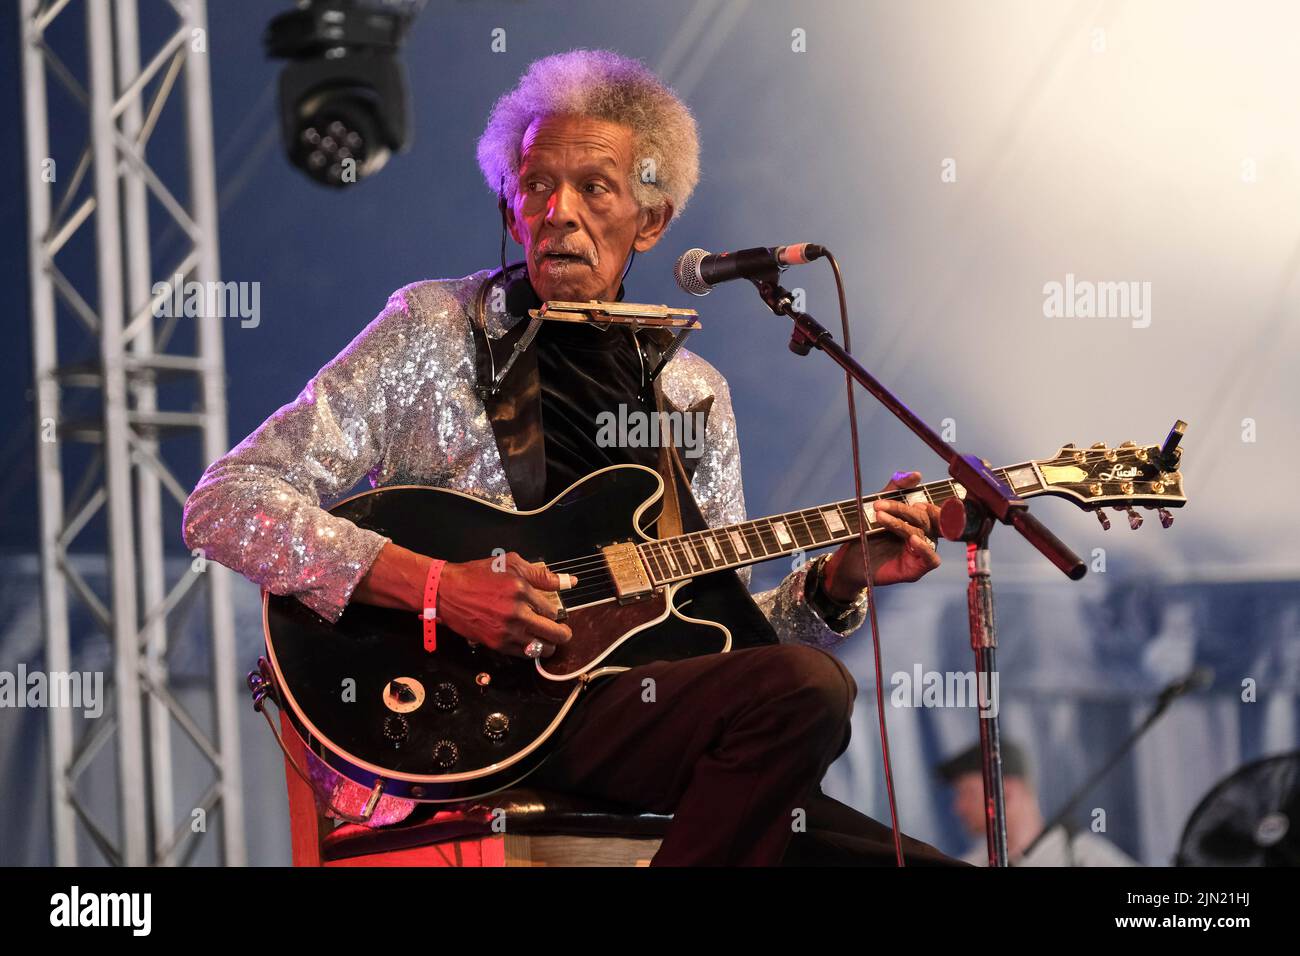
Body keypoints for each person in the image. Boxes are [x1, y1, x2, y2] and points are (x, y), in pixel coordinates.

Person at [184, 48, 963, 866]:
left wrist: (835, 583)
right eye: (535, 186)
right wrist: (443, 589)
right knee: (807, 689)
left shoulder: (689, 390)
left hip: (633, 719)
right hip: (466, 716)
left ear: (651, 220)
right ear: (511, 206)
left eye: (594, 188)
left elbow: (721, 637)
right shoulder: (431, 327)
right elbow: (226, 502)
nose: (559, 211)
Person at [938, 741, 1138, 866]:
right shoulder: (971, 863)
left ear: (1007, 791)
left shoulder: (1087, 859)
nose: (958, 807)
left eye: (967, 793)